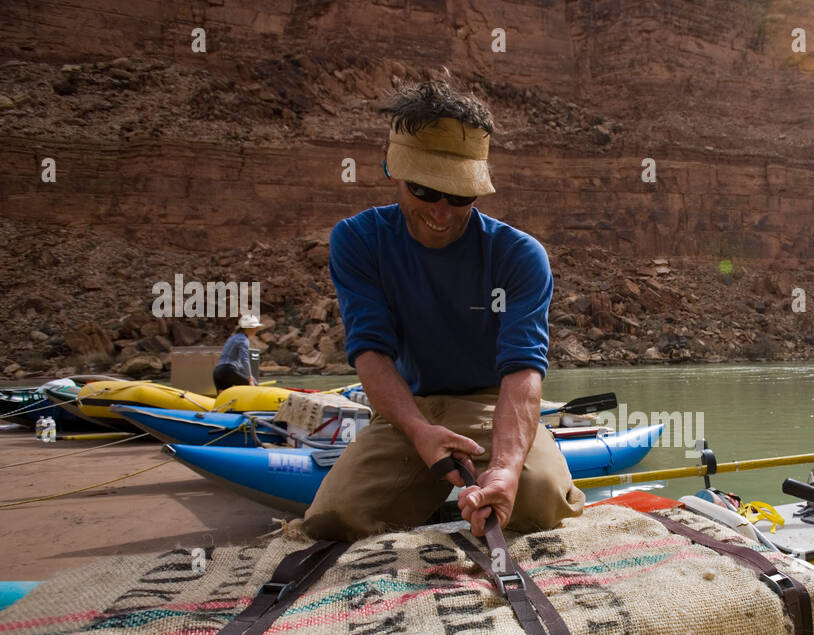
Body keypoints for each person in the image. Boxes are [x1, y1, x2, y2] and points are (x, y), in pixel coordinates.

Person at [293, 75, 585, 543]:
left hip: (492, 405)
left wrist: (506, 469)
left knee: (540, 498)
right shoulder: (357, 241)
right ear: (391, 168)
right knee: (334, 518)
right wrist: (416, 430)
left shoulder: (518, 255)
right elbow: (371, 352)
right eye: (424, 191)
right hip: (408, 408)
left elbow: (522, 370)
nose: (441, 212)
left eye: (459, 196)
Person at [213, 314, 260, 390]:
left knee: (225, 399)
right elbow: (245, 360)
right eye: (256, 327)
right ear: (250, 328)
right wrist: (250, 377)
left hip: (217, 372)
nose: (257, 329)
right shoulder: (243, 340)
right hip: (228, 371)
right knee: (255, 389)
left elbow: (236, 363)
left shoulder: (233, 338)